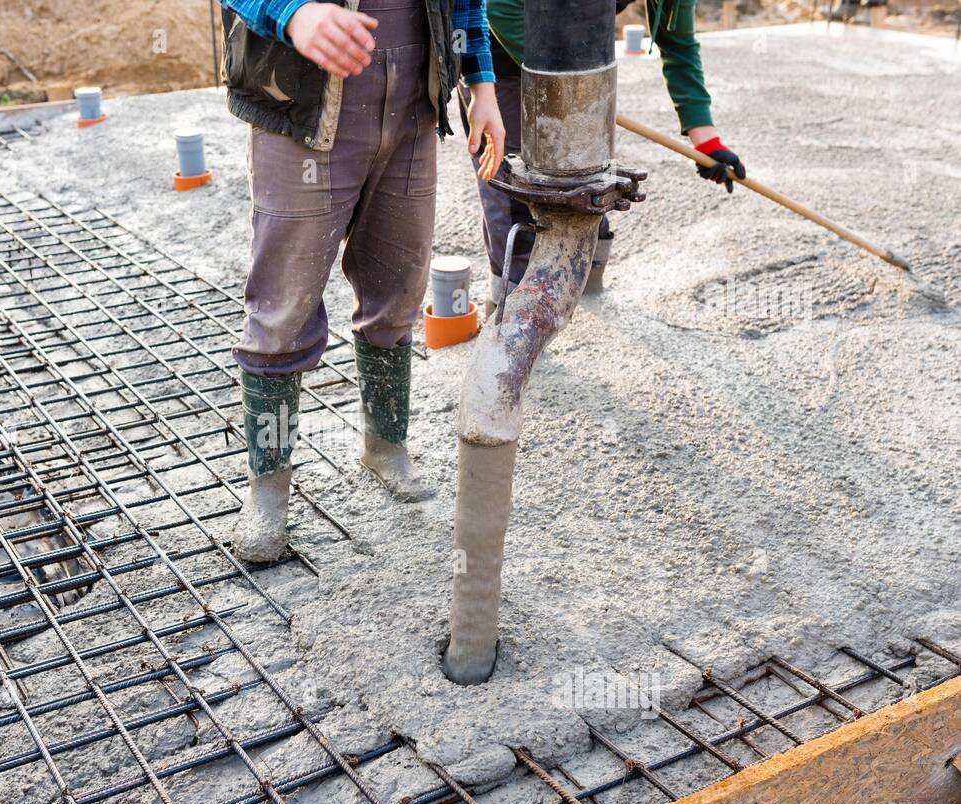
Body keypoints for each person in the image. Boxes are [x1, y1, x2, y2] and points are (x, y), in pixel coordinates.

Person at [220, 0, 506, 562]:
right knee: (283, 308)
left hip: (410, 113)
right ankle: (268, 489)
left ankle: (385, 445)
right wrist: (292, 13)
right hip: (301, 107)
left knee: (398, 286)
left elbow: (467, 3)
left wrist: (483, 88)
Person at [463, 0, 747, 303]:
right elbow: (500, 7)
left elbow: (677, 42)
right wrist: (569, 82)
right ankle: (510, 316)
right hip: (499, 58)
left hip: (579, 56)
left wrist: (705, 139)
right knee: (517, 187)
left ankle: (587, 290)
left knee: (587, 174)